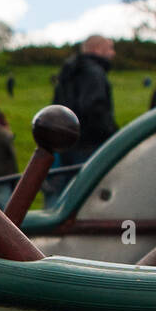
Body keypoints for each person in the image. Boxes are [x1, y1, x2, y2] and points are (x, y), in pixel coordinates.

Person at [45, 35, 117, 201]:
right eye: (110, 48)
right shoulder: (94, 72)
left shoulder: (68, 71)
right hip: (89, 145)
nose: (113, 54)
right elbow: (94, 109)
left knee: (64, 194)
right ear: (97, 49)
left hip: (65, 143)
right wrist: (112, 135)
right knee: (86, 195)